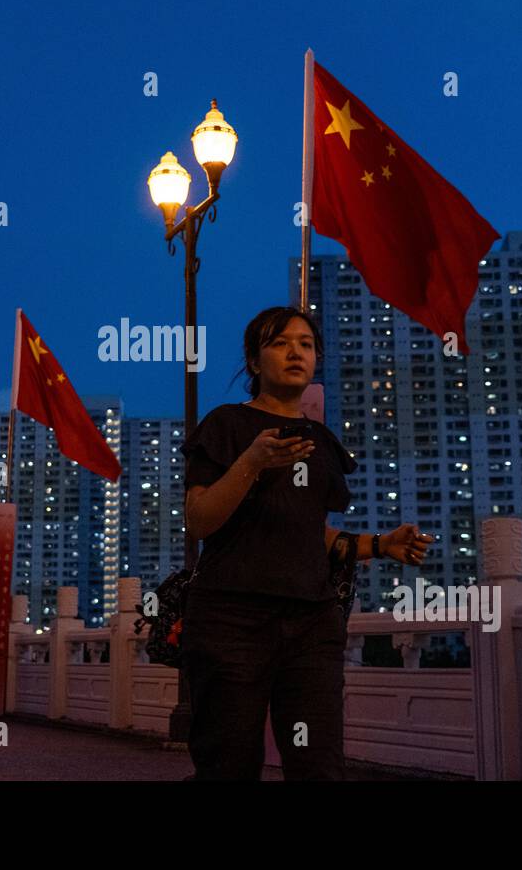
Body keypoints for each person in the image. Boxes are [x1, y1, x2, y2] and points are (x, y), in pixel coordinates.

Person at [180, 305, 433, 780]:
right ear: (255, 362)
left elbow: (309, 533)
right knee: (228, 763)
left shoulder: (320, 440)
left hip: (311, 622)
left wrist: (381, 545)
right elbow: (199, 520)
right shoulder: (226, 425)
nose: (295, 352)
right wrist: (251, 463)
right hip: (230, 619)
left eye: (306, 344)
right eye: (279, 343)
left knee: (319, 764)